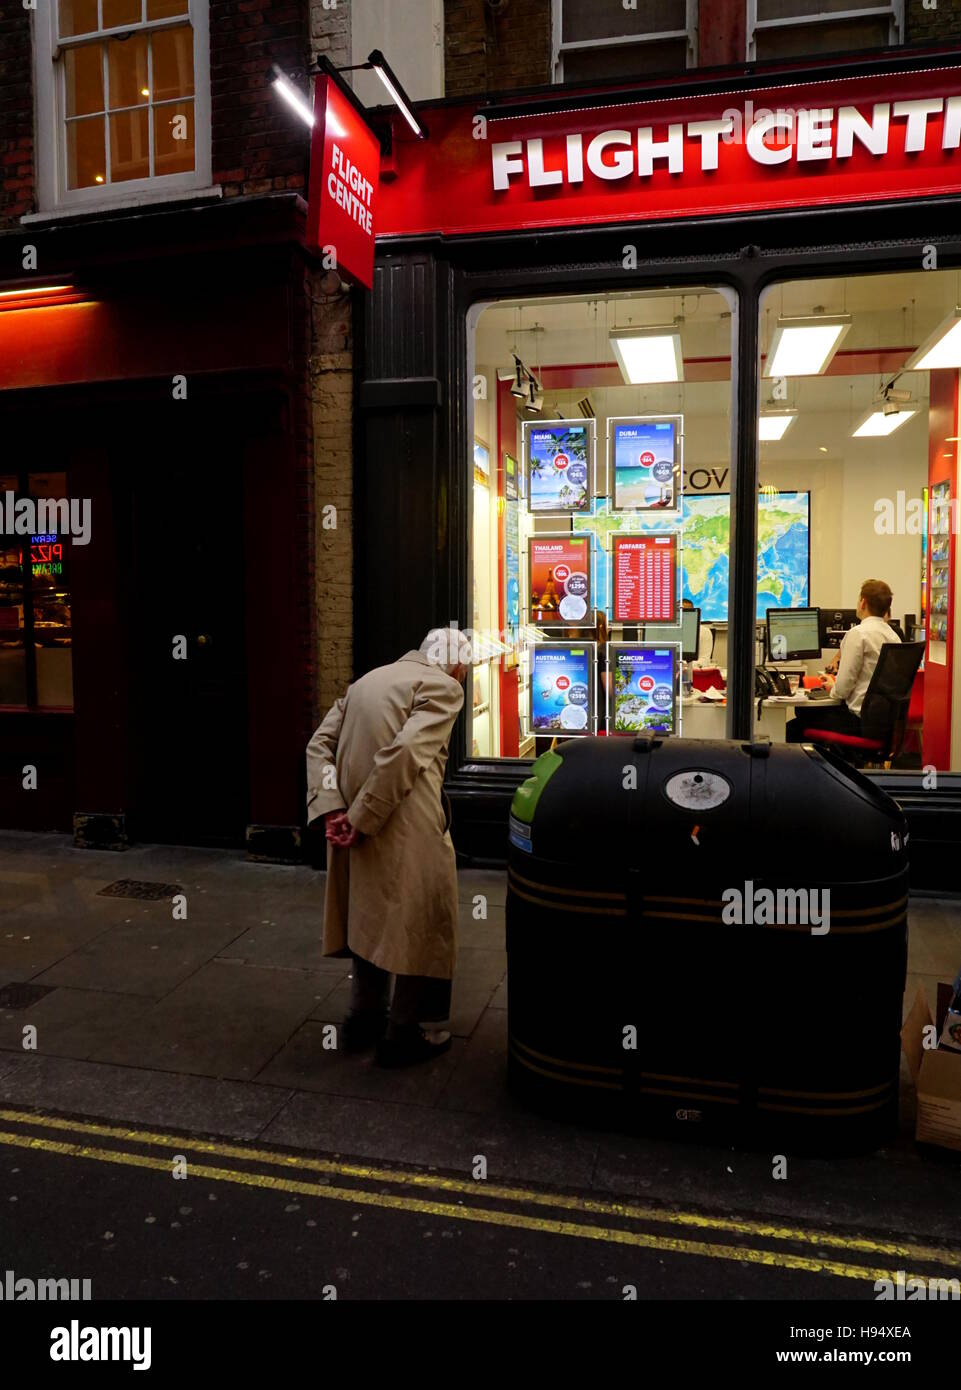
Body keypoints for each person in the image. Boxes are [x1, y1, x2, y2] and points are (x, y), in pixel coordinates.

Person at [305, 627, 471, 1068]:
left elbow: (318, 745)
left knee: (369, 918)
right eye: (465, 669)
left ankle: (363, 1020)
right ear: (456, 664)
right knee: (420, 920)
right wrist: (360, 818)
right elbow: (404, 755)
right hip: (406, 827)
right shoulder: (444, 686)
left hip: (355, 826)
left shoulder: (365, 682)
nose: (465, 676)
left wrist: (332, 809)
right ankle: (404, 1034)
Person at [786, 579, 901, 743]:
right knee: (799, 722)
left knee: (800, 715)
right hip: (882, 725)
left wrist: (833, 687)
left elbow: (843, 689)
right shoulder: (894, 637)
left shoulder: (858, 633)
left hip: (858, 723)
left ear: (863, 602)